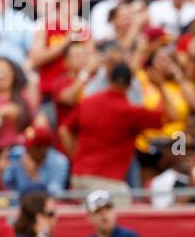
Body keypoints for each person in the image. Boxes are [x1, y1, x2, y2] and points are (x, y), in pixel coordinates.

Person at [63, 63, 168, 203]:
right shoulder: (129, 112)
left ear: (109, 79)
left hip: (79, 177)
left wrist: (76, 157)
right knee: (123, 218)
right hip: (107, 182)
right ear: (130, 84)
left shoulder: (89, 102)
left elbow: (64, 131)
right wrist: (161, 86)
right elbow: (171, 116)